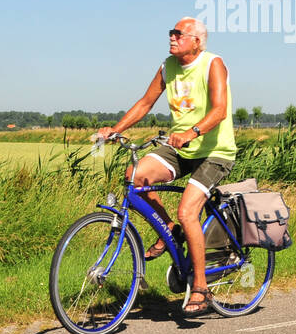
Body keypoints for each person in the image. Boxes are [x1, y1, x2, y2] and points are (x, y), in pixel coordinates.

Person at [94, 17, 236, 315]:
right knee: (135, 176)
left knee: (188, 211)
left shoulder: (213, 64)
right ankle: (169, 230)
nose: (171, 38)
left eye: (178, 34)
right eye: (170, 33)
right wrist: (115, 130)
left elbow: (220, 109)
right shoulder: (167, 67)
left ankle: (201, 288)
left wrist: (191, 133)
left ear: (197, 41)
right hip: (179, 149)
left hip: (214, 151)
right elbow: (146, 102)